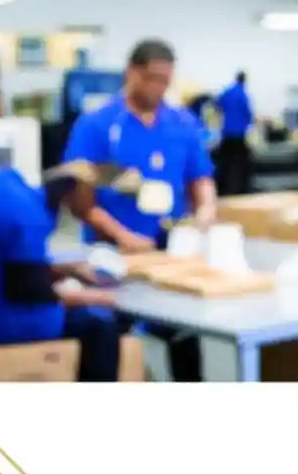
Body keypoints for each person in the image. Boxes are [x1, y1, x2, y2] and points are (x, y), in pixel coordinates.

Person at [61, 38, 218, 381]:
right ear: (131, 73)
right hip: (113, 257)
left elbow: (200, 178)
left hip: (166, 253)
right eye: (152, 78)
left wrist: (205, 211)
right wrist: (122, 236)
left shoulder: (182, 123)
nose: (159, 88)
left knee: (185, 336)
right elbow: (80, 202)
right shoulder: (98, 125)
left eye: (166, 81)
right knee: (110, 340)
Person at [0, 167, 122, 382]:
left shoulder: (10, 188)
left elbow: (10, 265)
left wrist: (64, 269)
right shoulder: (29, 214)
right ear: (73, 193)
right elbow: (30, 291)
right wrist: (99, 297)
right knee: (100, 325)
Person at [213, 70, 254, 196]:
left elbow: (217, 103)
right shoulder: (243, 94)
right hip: (239, 135)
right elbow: (248, 114)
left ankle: (223, 189)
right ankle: (239, 190)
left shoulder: (228, 91)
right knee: (240, 164)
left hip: (226, 133)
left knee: (224, 163)